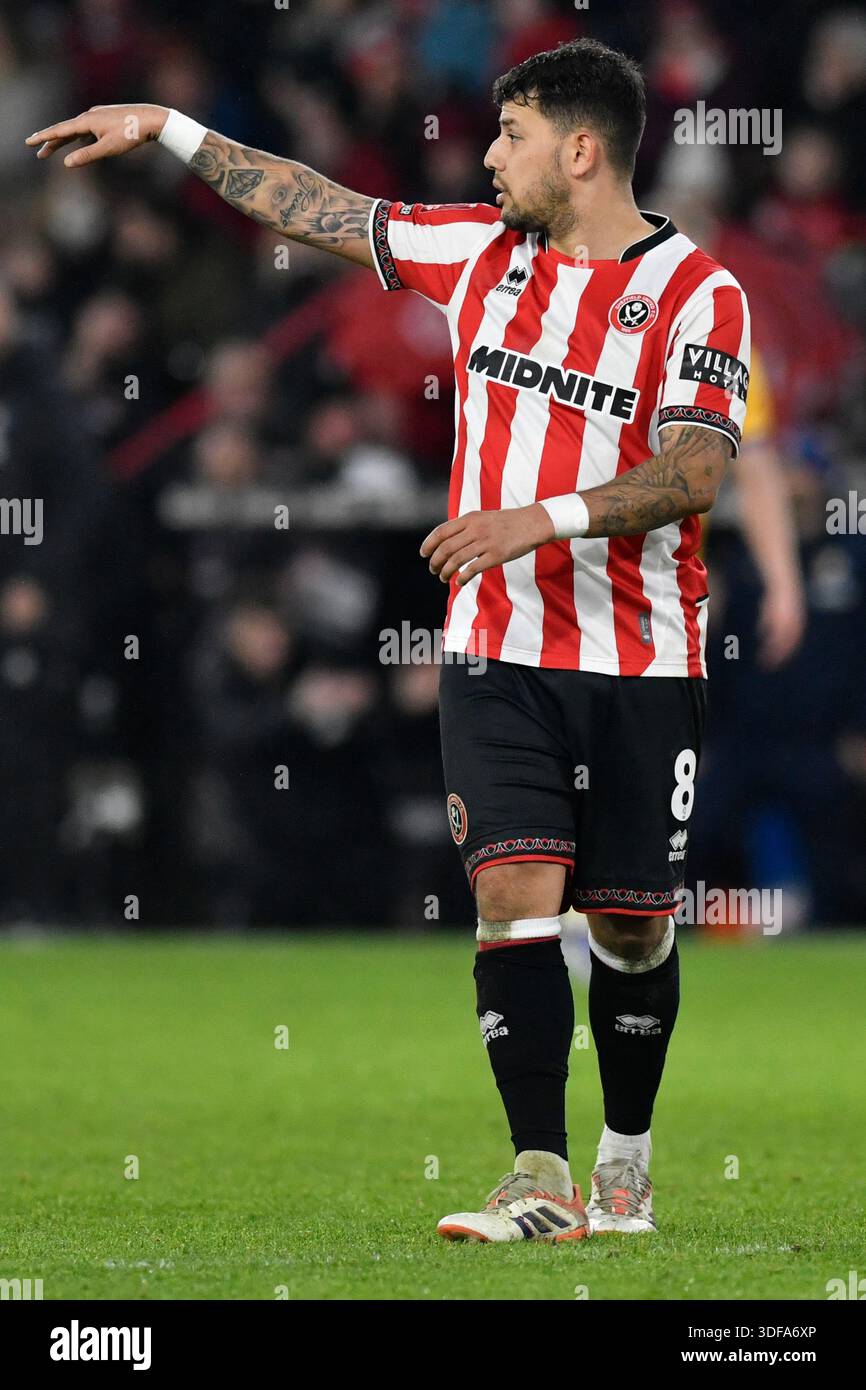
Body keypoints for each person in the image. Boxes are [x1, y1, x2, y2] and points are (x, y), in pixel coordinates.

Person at [27, 36, 750, 1243]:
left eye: (510, 135)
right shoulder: (476, 253)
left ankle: (624, 1160)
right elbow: (319, 207)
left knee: (630, 924)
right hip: (494, 648)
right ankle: (538, 1170)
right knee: (514, 895)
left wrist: (538, 514)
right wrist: (171, 127)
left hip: (640, 656)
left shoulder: (695, 294)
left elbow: (695, 469)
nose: (489, 155)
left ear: (580, 149)